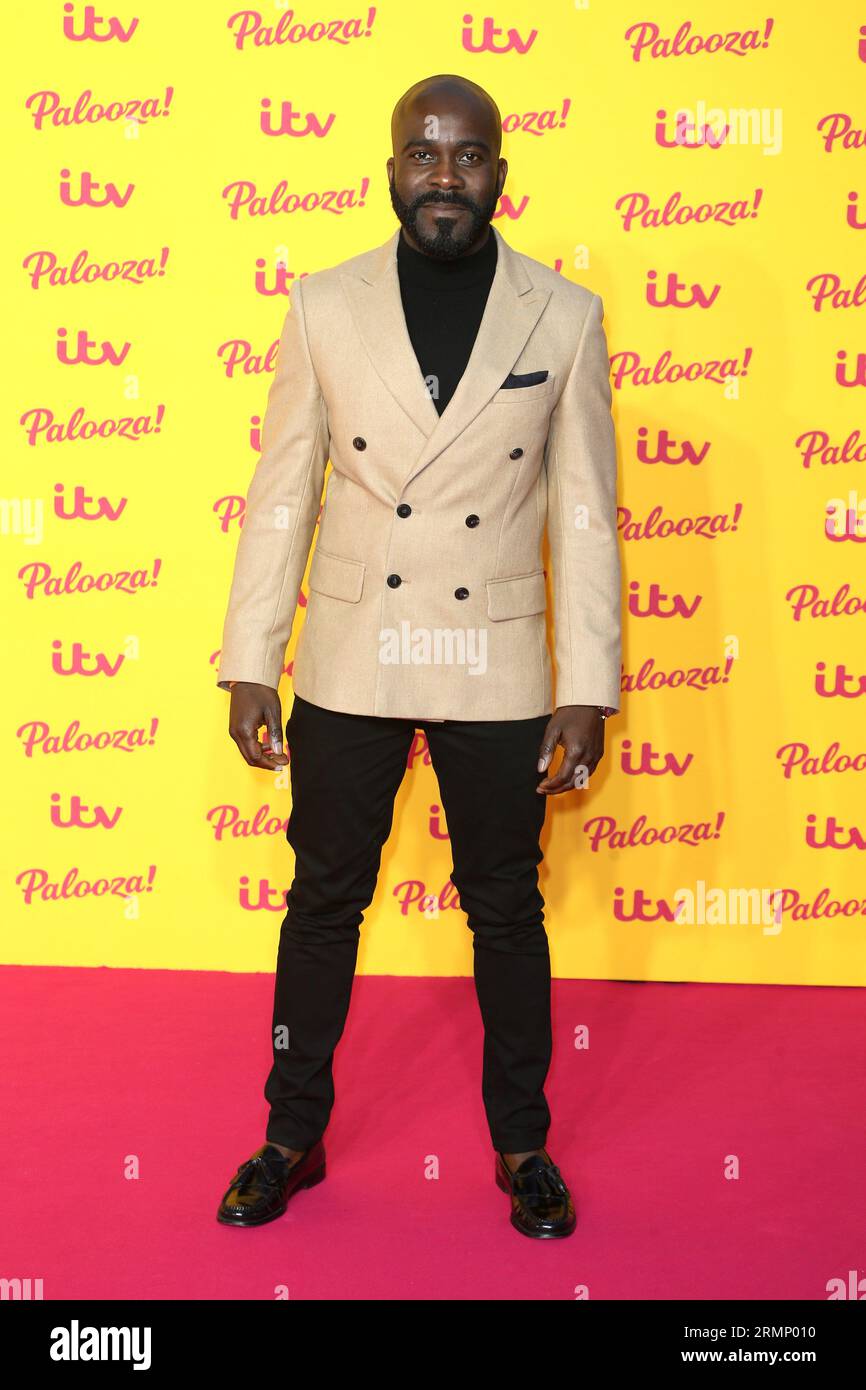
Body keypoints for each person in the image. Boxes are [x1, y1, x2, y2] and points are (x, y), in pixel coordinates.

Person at [214, 73, 621, 1239]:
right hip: (351, 650)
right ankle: (290, 1133)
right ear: (389, 168)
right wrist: (252, 655)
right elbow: (279, 493)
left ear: (501, 170)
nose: (444, 173)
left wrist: (585, 684)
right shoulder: (321, 306)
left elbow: (585, 513)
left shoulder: (565, 314)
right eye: (422, 152)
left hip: (495, 659)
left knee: (504, 908)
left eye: (467, 154)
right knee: (321, 904)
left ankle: (521, 1144)